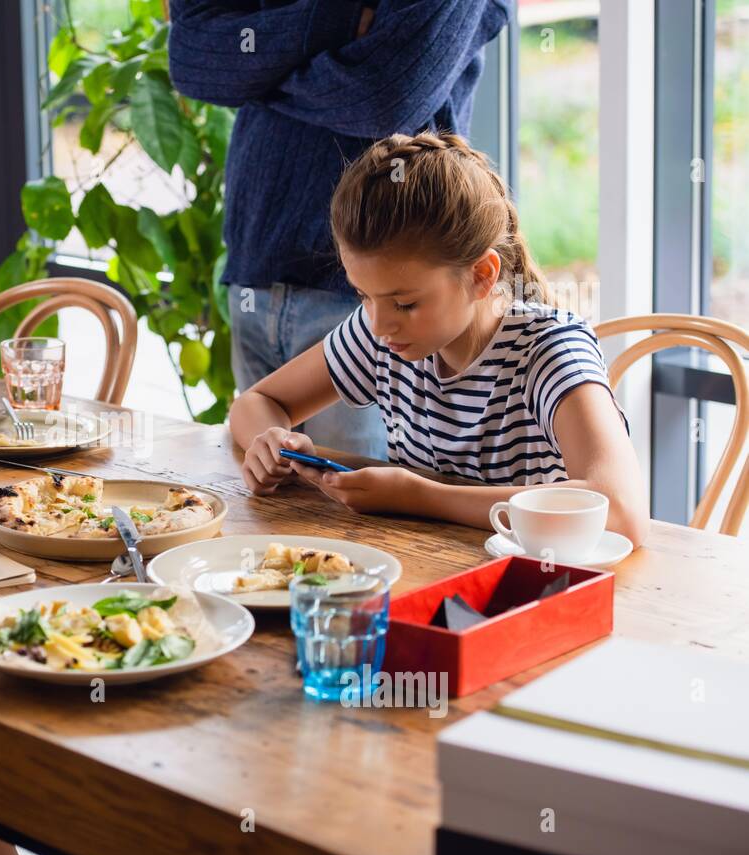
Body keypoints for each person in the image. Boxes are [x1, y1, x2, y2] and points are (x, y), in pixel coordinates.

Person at [228, 132, 650, 546]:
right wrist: (273, 441)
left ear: (482, 275)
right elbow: (257, 402)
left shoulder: (548, 351)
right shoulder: (381, 334)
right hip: (430, 568)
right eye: (363, 296)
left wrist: (420, 496)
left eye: (406, 303)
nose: (378, 324)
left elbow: (620, 511)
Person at [169, 0, 512, 458]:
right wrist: (341, 19)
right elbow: (195, 62)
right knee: (273, 496)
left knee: (357, 517)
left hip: (370, 283)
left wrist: (259, 77)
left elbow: (383, 99)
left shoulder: (387, 318)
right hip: (257, 264)